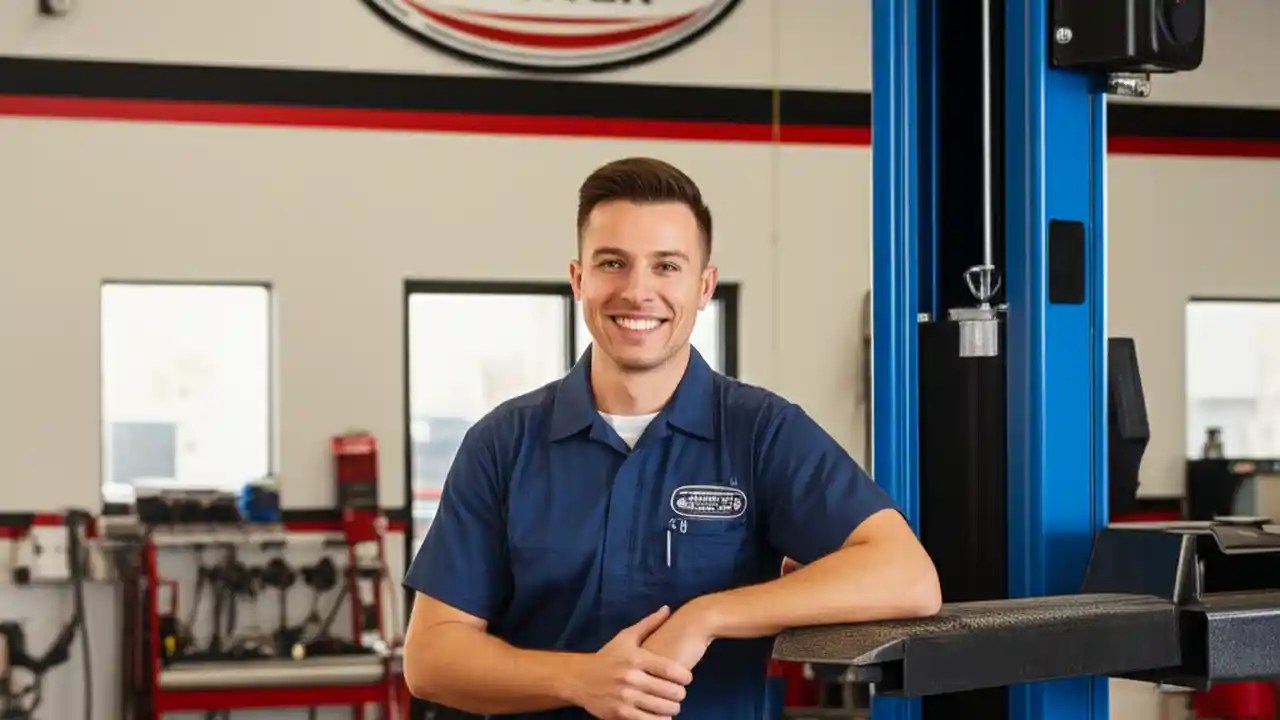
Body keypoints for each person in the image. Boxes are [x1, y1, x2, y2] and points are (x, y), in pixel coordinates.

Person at [402, 157, 942, 719]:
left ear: (704, 285)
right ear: (578, 278)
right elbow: (432, 657)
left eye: (666, 266)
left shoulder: (760, 433)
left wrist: (705, 616)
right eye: (613, 263)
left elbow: (908, 576)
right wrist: (581, 680)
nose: (638, 292)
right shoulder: (502, 445)